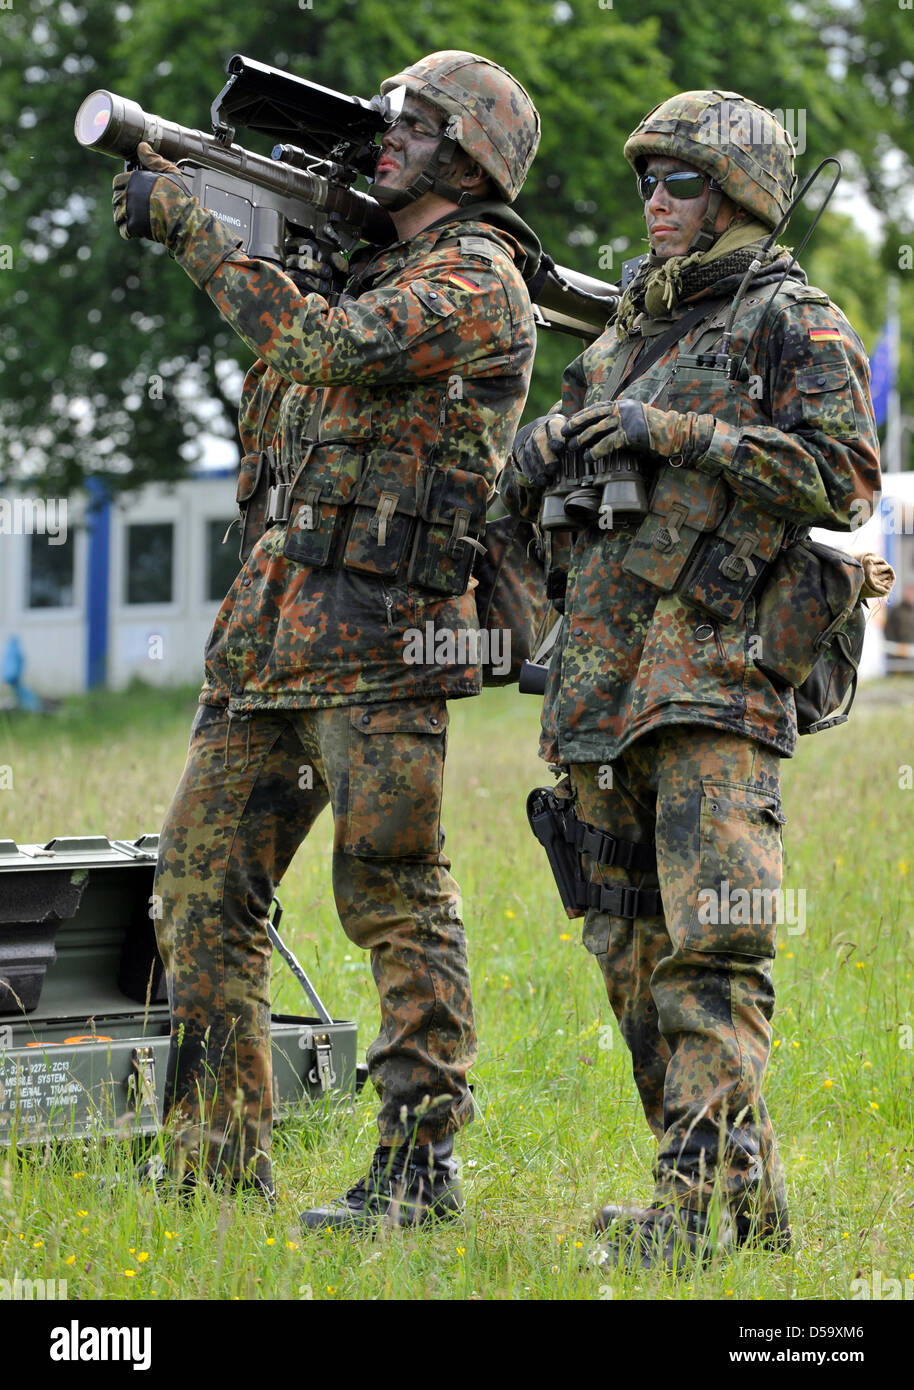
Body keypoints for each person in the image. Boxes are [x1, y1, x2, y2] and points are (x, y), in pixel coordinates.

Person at [110, 50, 541, 1225]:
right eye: (389, 118)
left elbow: (323, 349)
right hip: (271, 644)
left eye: (417, 124)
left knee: (392, 895)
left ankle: (417, 1168)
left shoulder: (477, 280)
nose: (385, 135)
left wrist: (197, 233)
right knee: (197, 888)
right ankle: (214, 1160)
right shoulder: (362, 271)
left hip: (388, 647)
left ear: (470, 160)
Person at [502, 90, 880, 1268]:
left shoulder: (790, 319)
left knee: (711, 951)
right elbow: (530, 476)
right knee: (626, 956)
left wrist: (674, 433)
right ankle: (741, 1210)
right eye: (645, 182)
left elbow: (842, 478)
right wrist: (538, 450)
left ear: (737, 196)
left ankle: (687, 1218)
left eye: (678, 182)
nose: (653, 203)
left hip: (716, 681)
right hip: (598, 694)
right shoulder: (622, 331)